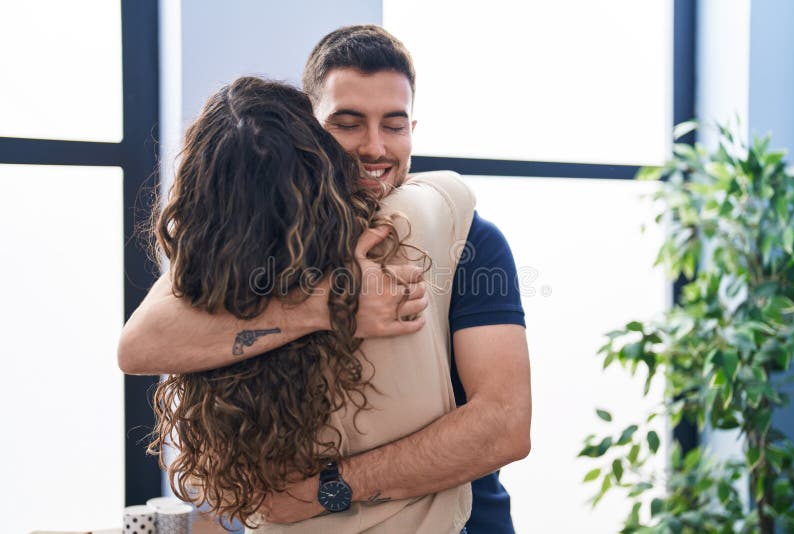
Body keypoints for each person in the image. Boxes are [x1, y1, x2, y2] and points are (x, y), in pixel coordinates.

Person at [119, 25, 531, 533]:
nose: (375, 148)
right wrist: (331, 308)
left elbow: (505, 425)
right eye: (348, 123)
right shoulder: (251, 242)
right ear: (308, 131)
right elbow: (140, 347)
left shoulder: (466, 238)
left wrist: (326, 489)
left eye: (395, 125)